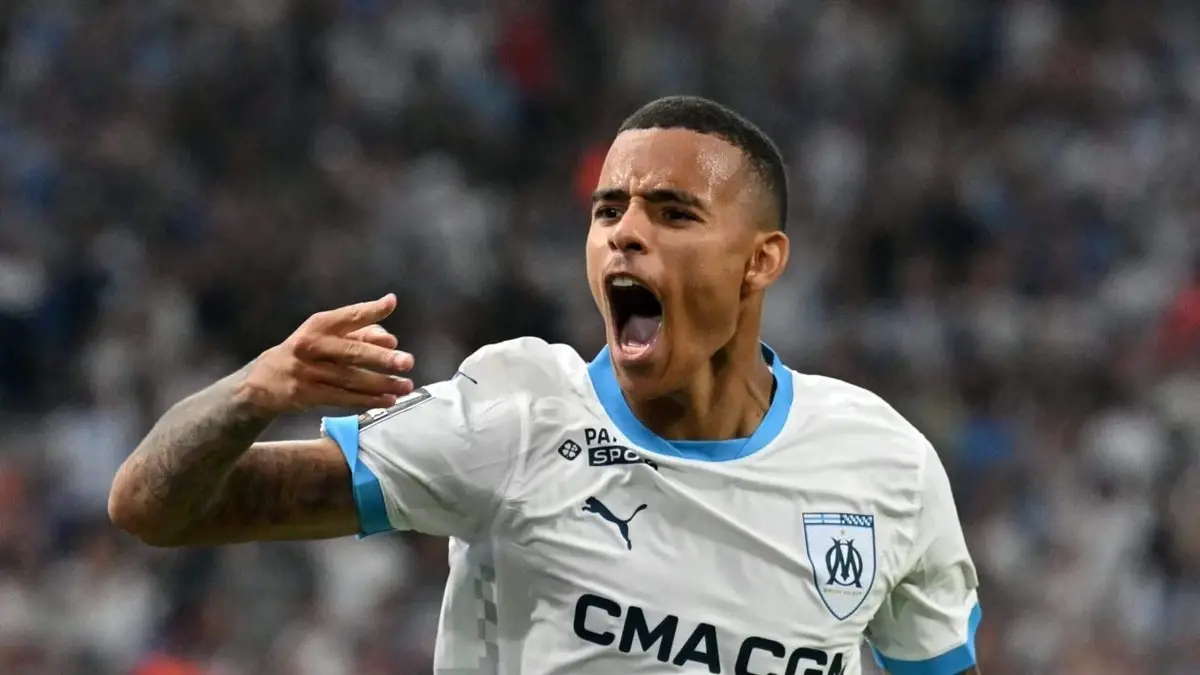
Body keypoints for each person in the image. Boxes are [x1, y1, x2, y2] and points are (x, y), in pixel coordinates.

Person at [109, 96, 981, 675]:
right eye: (608, 210)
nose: (624, 233)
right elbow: (154, 508)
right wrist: (253, 392)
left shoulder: (885, 467)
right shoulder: (514, 420)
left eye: (672, 212)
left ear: (761, 260)